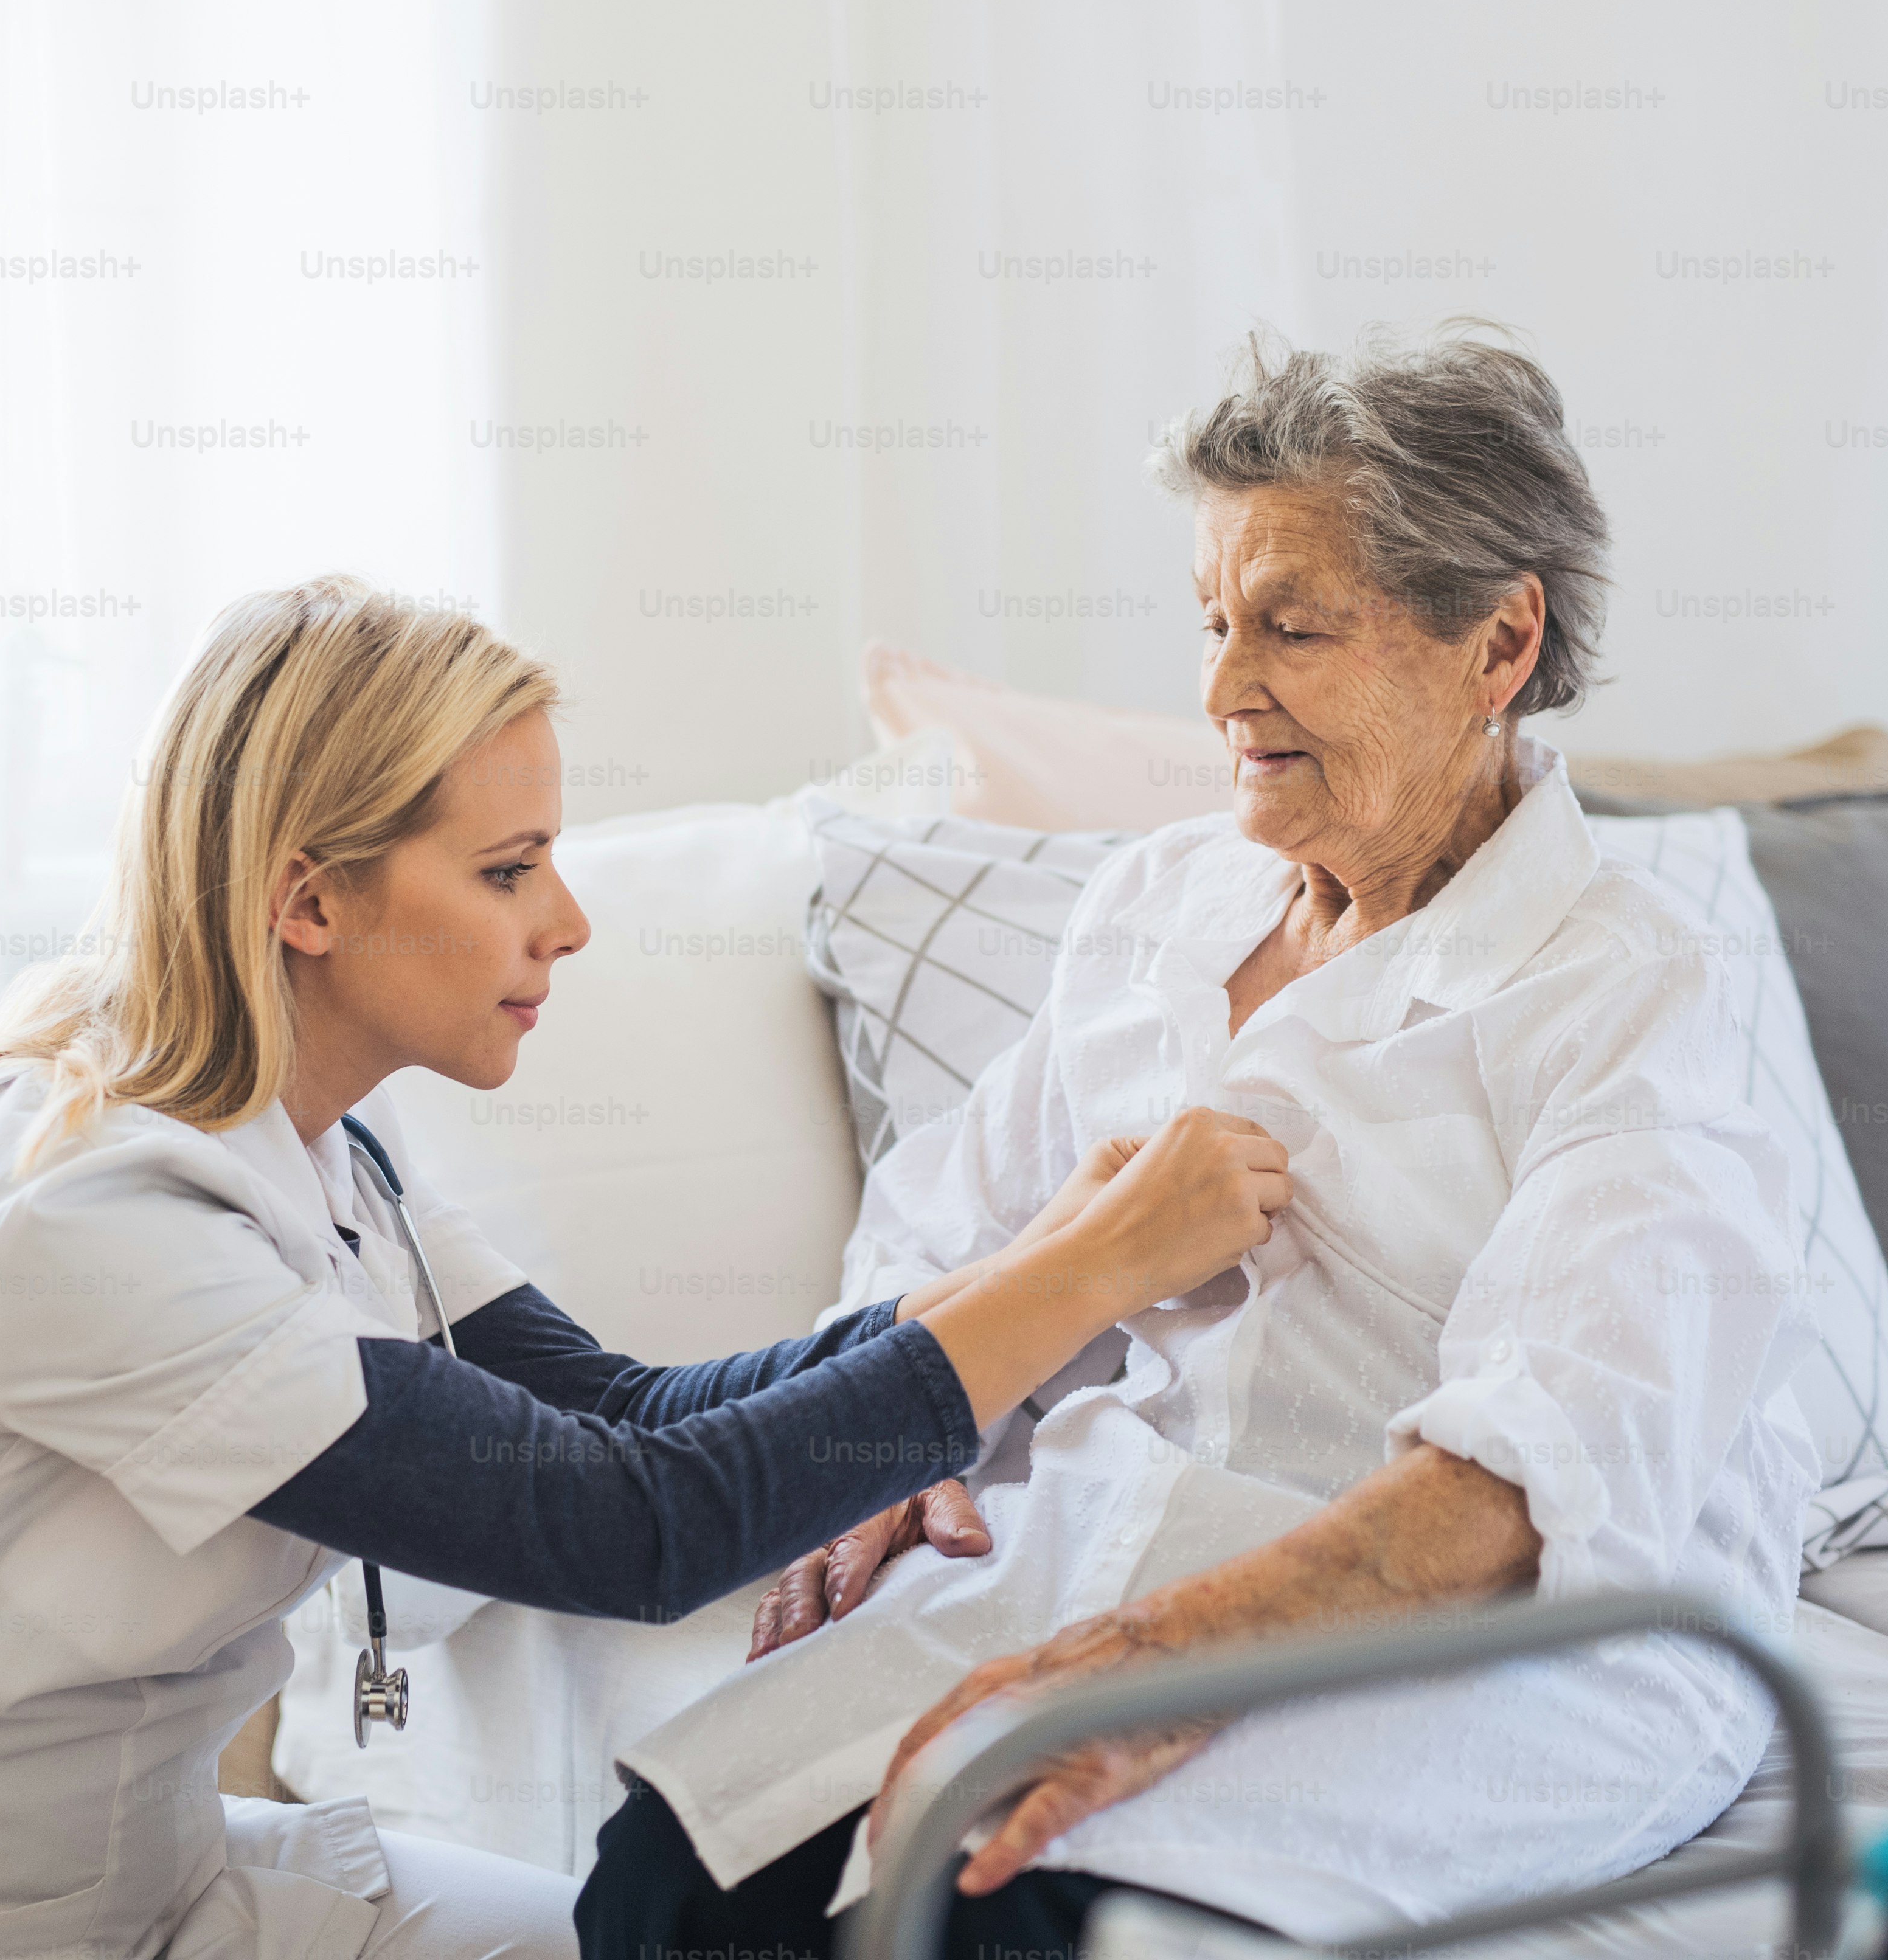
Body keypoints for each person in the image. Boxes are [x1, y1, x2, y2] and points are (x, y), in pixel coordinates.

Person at [0, 578, 1293, 1960]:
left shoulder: (316, 1146)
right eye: (504, 871)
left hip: (151, 1889)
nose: (567, 920)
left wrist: (1015, 1273)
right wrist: (1075, 1285)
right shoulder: (88, 1227)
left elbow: (628, 1415)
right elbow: (628, 1529)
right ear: (309, 902)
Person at [578, 323, 1822, 1955]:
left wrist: (1150, 1669)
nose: (1227, 690)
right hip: (1107, 1538)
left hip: (1474, 1634)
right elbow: (942, 1231)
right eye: (1218, 623)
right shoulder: (1160, 905)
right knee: (667, 1881)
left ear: (1498, 644)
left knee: (998, 1916)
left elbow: (1523, 1487)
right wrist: (889, 1445)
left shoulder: (1631, 990)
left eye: (1294, 629)